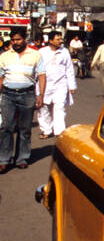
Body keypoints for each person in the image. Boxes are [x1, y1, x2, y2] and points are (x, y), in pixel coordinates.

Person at [0, 27, 42, 171]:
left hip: (27, 95)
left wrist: (40, 95)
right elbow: (0, 77)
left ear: (24, 39)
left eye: (18, 39)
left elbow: (41, 75)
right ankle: (4, 159)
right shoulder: (4, 56)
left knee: (24, 129)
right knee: (6, 127)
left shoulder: (35, 55)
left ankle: (22, 158)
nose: (15, 42)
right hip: (7, 95)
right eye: (13, 40)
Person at [36, 30, 76, 137]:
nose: (60, 41)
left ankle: (59, 131)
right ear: (50, 40)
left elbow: (69, 69)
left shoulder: (65, 52)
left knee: (60, 108)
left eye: (61, 38)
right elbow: (37, 69)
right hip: (45, 85)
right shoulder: (42, 52)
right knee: (44, 108)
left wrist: (72, 85)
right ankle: (46, 130)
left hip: (61, 85)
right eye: (57, 39)